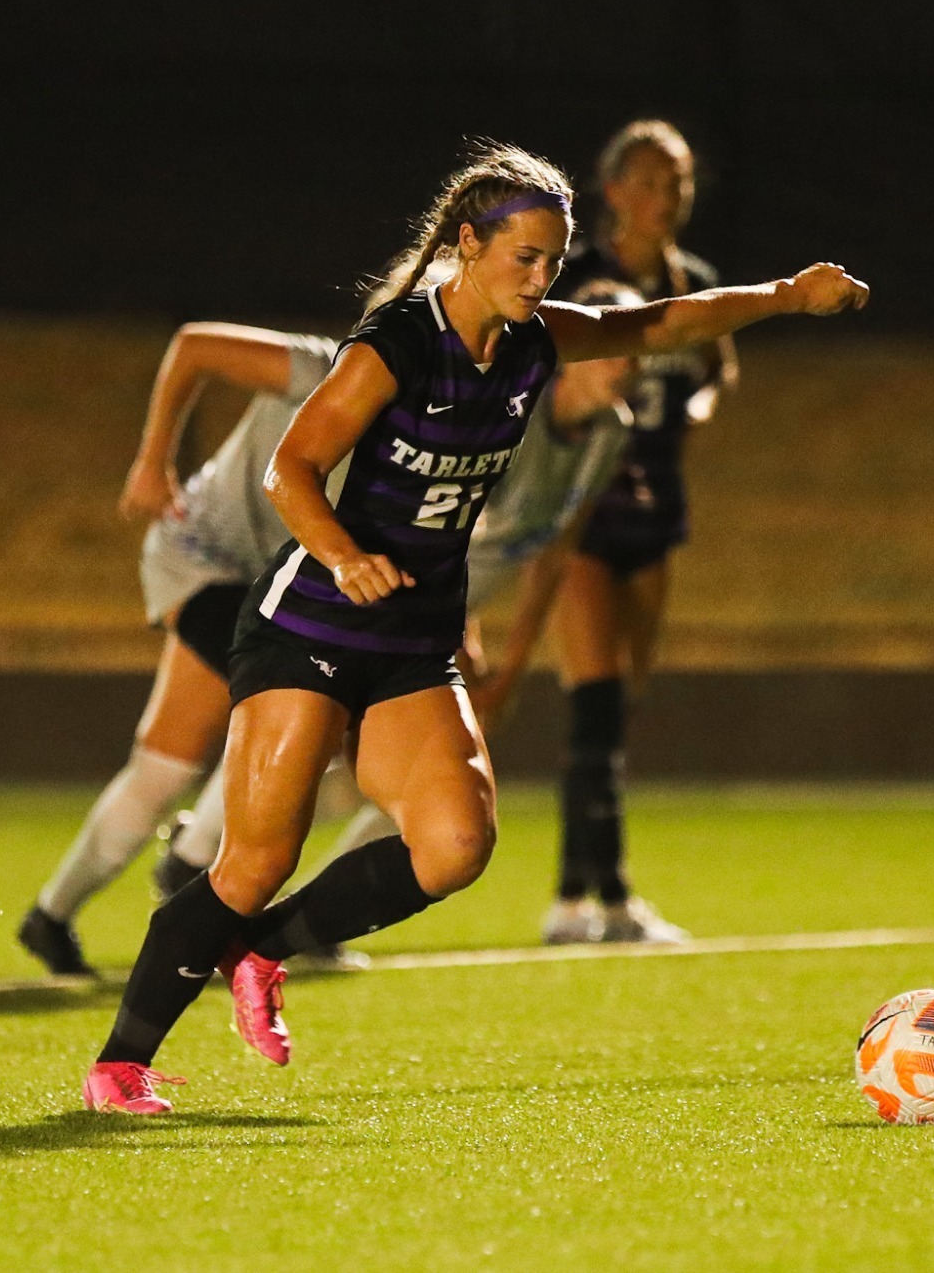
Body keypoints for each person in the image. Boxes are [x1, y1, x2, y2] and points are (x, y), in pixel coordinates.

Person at [82, 142, 868, 1113]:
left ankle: (261, 951)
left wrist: (787, 295)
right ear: (467, 244)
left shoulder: (533, 342)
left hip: (412, 636)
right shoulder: (397, 344)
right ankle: (120, 1064)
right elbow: (291, 468)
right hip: (312, 622)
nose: (539, 279)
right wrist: (344, 555)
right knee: (255, 860)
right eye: (523, 258)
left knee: (456, 842)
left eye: (552, 261)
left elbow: (660, 322)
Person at [149, 282, 645, 928]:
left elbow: (541, 553)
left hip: (425, 622)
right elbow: (293, 466)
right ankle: (194, 872)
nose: (627, 368)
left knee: (434, 800)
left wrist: (503, 661)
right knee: (298, 750)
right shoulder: (392, 380)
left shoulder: (597, 431)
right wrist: (152, 464)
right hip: (331, 596)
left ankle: (290, 916)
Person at [14, 322, 343, 977]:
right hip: (200, 558)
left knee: (162, 769)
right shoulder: (322, 370)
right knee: (304, 697)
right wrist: (152, 461)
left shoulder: (428, 421)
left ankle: (49, 916)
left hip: (264, 584)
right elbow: (194, 345)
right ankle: (190, 861)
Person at [543, 120, 735, 945]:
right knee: (592, 702)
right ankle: (590, 898)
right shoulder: (581, 277)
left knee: (618, 708)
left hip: (656, 512)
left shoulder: (695, 282)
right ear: (615, 190)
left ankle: (593, 894)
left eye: (678, 182)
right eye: (651, 182)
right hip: (586, 510)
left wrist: (696, 408)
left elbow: (719, 369)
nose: (667, 198)